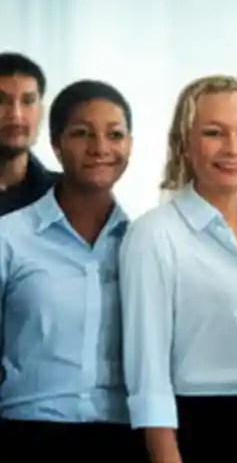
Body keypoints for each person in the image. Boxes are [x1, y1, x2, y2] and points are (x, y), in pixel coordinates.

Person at [120, 75, 237, 463]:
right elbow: (148, 372)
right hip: (200, 429)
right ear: (184, 143)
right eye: (214, 133)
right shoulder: (154, 235)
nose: (233, 148)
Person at [0, 81, 145, 460]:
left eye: (115, 135)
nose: (100, 147)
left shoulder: (142, 243)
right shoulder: (10, 237)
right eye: (82, 133)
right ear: (55, 144)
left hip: (124, 438)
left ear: (130, 145)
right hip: (26, 434)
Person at [0, 52, 59, 216]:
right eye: (0, 101)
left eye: (28, 101)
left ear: (41, 111)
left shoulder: (67, 198)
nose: (16, 115)